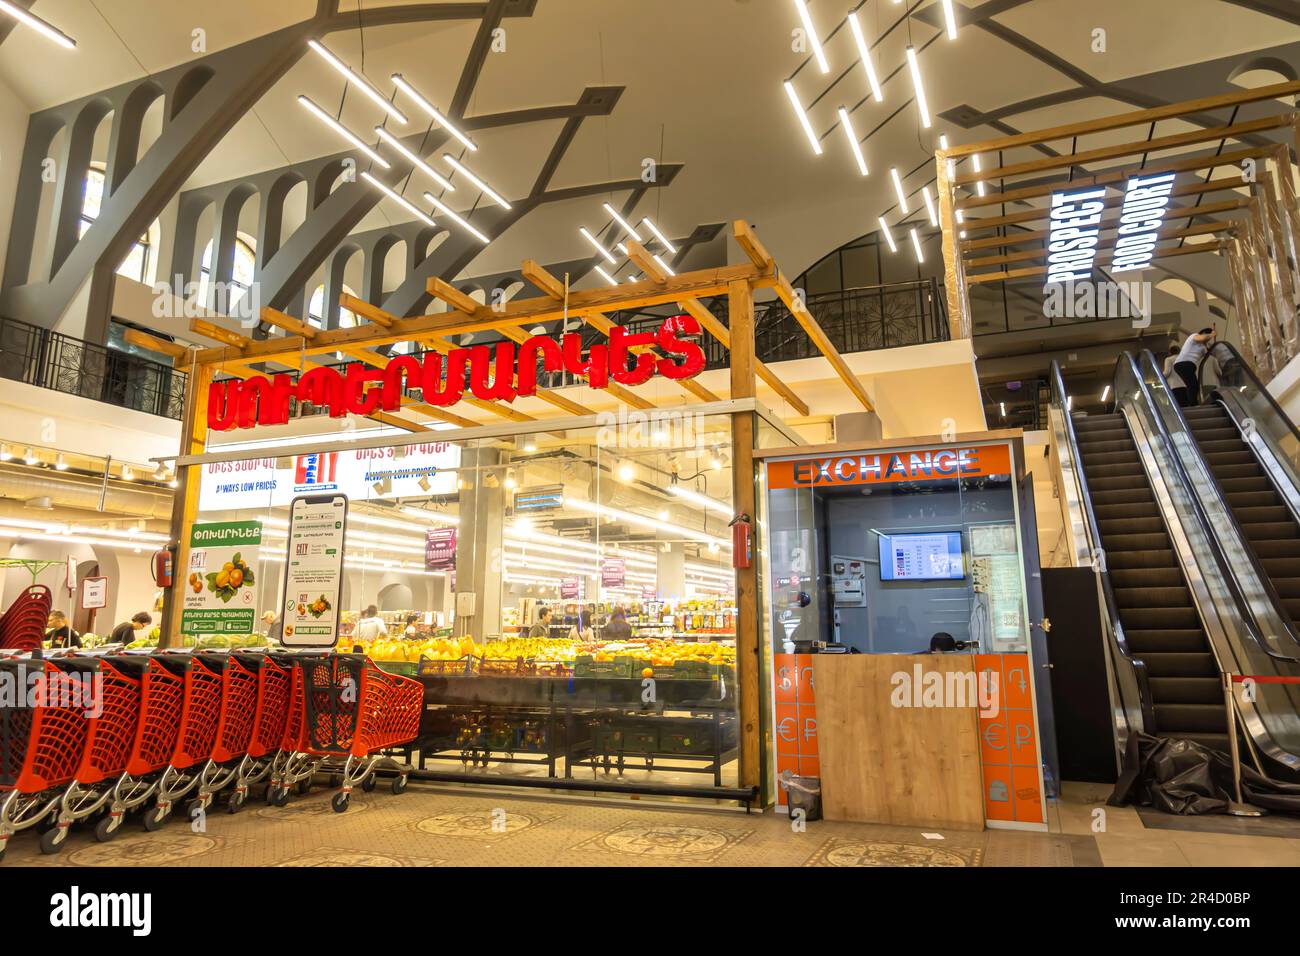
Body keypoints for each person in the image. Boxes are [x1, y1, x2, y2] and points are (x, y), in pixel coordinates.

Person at [1172, 327, 1216, 407]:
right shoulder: (1194, 336)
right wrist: (1212, 334)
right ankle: (1192, 405)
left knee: (1193, 385)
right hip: (1183, 363)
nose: (1208, 339)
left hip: (1188, 365)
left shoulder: (1203, 347)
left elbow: (1210, 354)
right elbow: (1202, 338)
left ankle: (1193, 403)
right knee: (1192, 385)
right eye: (1207, 336)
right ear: (1204, 333)